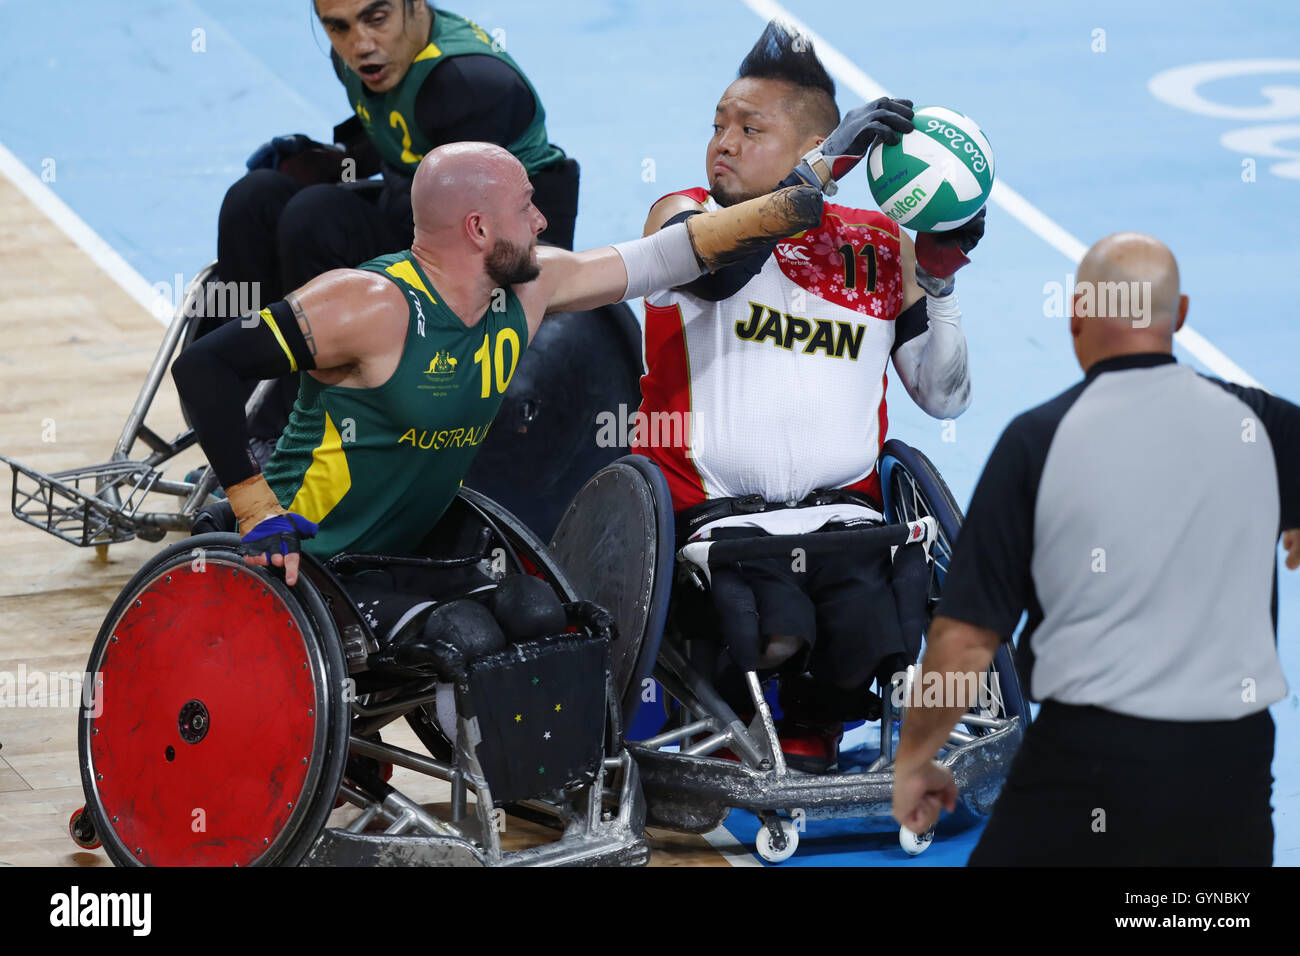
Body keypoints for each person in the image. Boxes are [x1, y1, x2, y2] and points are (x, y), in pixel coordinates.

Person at [172, 140, 828, 616]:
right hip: (298, 562)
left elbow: (663, 257)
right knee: (476, 642)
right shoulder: (367, 304)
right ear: (480, 228)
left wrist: (796, 192)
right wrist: (255, 508)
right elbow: (205, 366)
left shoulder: (531, 287)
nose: (542, 222)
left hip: (398, 559)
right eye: (527, 207)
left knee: (548, 623)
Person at [632, 22, 985, 771]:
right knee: (776, 618)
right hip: (715, 519)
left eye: (749, 127)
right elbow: (718, 273)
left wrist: (942, 275)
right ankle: (750, 713)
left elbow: (943, 396)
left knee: (869, 613)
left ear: (807, 144)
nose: (722, 141)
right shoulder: (681, 214)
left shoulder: (885, 243)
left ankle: (817, 724)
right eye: (718, 124)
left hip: (843, 519)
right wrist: (819, 175)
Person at [891, 231, 1300, 865]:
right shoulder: (1266, 426)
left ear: (1076, 315)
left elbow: (964, 643)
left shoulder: (1037, 443)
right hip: (1234, 766)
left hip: (1091, 764)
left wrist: (915, 760)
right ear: (1181, 315)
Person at [210, 0, 581, 456]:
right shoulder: (359, 59)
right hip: (418, 205)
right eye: (338, 26)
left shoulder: (470, 84)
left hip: (507, 245)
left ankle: (298, 430)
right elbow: (398, 132)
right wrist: (335, 163)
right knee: (256, 198)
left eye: (376, 18)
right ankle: (234, 400)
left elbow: (481, 238)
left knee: (313, 218)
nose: (360, 44)